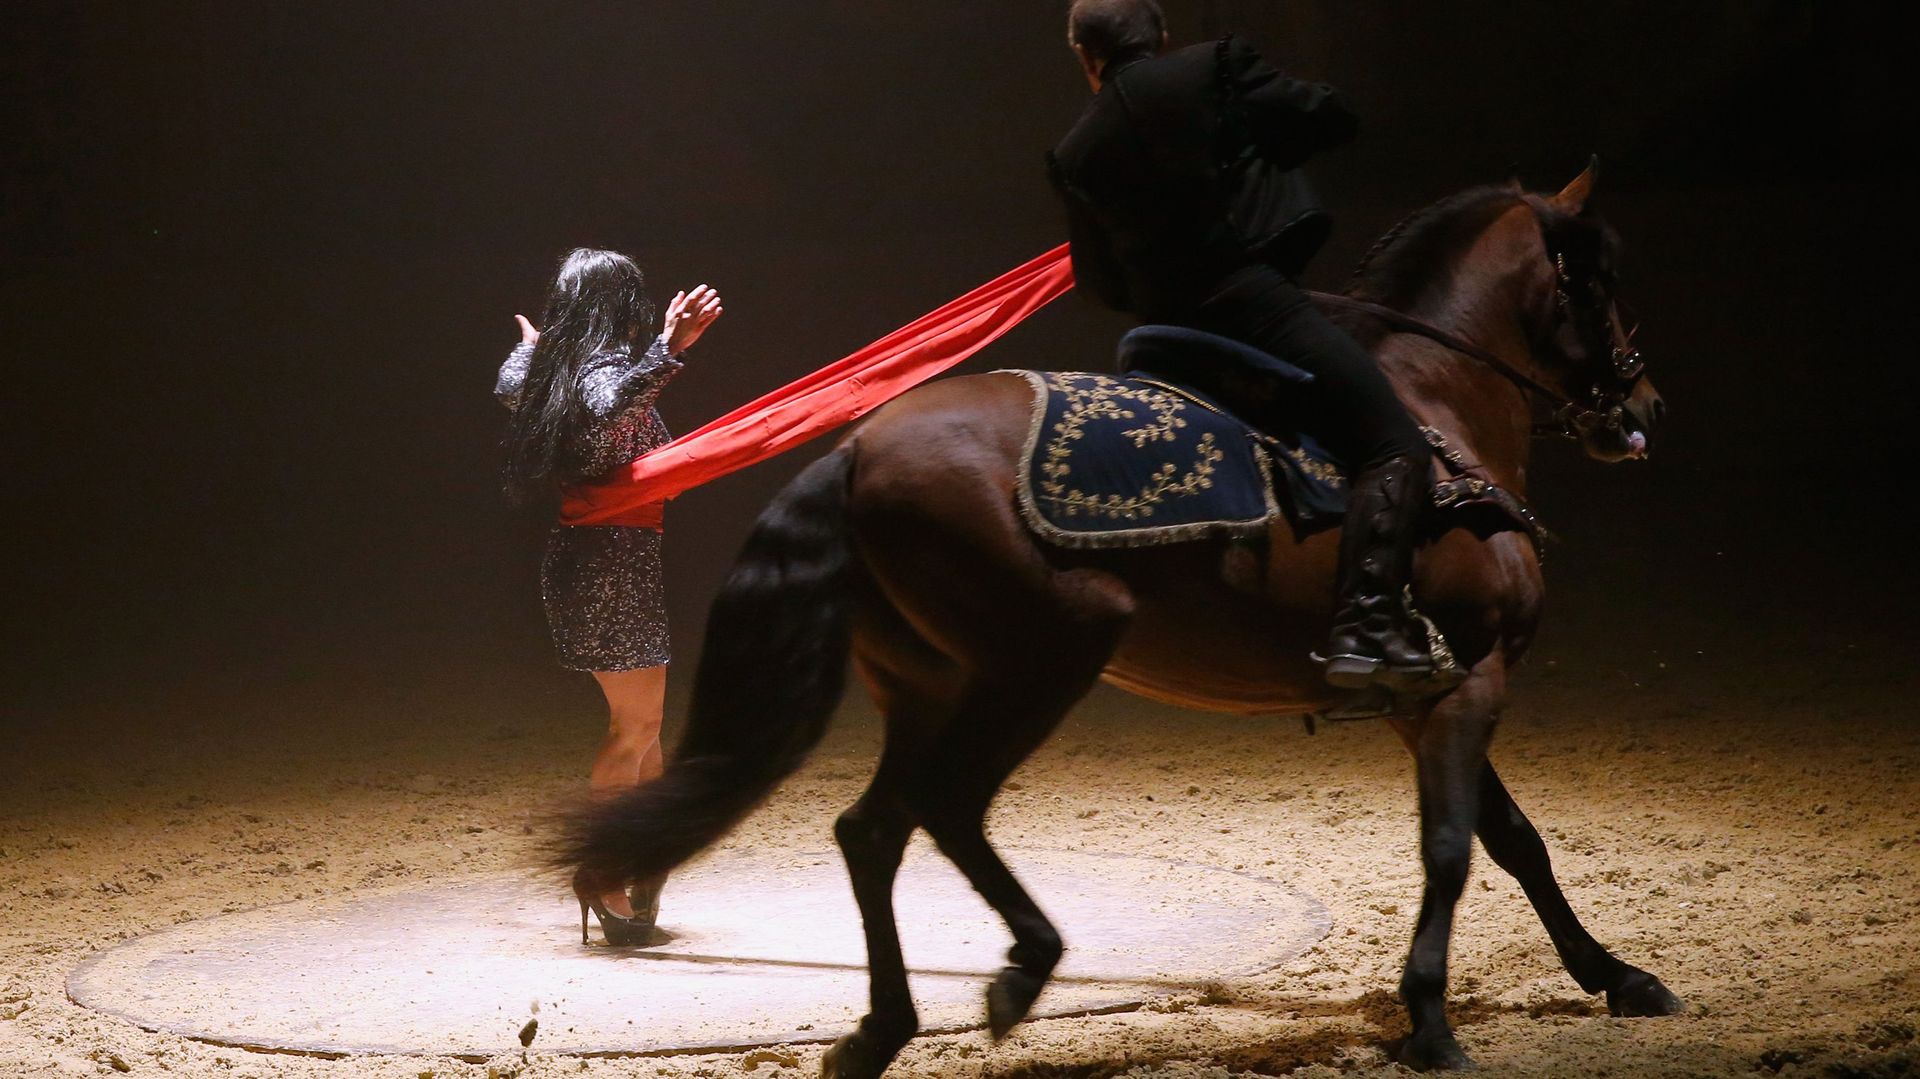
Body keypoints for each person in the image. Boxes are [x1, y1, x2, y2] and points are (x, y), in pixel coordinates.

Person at [1048, 0, 1451, 691]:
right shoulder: (1213, 66)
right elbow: (1329, 116)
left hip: (1160, 334)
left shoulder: (1074, 152)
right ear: (1164, 37)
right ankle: (1369, 621)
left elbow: (1102, 286)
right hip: (1250, 305)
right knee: (1395, 444)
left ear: (1086, 58)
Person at [496, 248, 722, 943]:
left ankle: (642, 853)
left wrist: (535, 349)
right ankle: (601, 870)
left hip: (596, 562)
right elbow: (605, 406)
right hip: (610, 567)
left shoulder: (541, 371)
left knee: (645, 728)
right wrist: (667, 347)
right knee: (636, 728)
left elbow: (514, 376)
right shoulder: (598, 373)